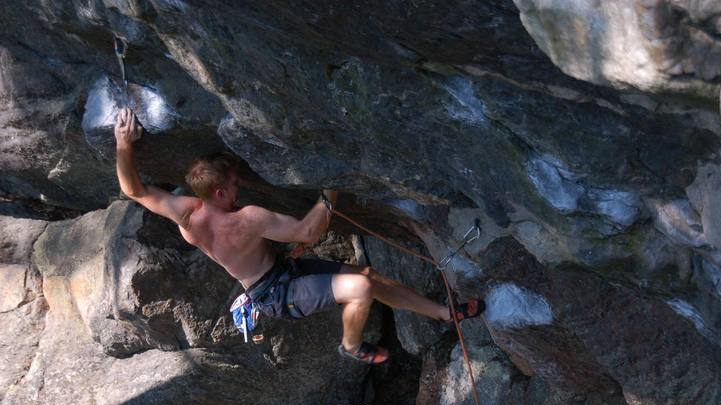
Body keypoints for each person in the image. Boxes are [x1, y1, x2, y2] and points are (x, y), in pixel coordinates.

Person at [114, 108, 484, 363]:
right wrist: (331, 189)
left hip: (277, 273)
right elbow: (310, 228)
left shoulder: (187, 216)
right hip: (280, 295)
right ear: (221, 193)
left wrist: (123, 144)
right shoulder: (248, 217)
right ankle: (351, 347)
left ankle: (443, 313)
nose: (240, 186)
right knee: (360, 290)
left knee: (369, 276)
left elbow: (134, 190)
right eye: (234, 183)